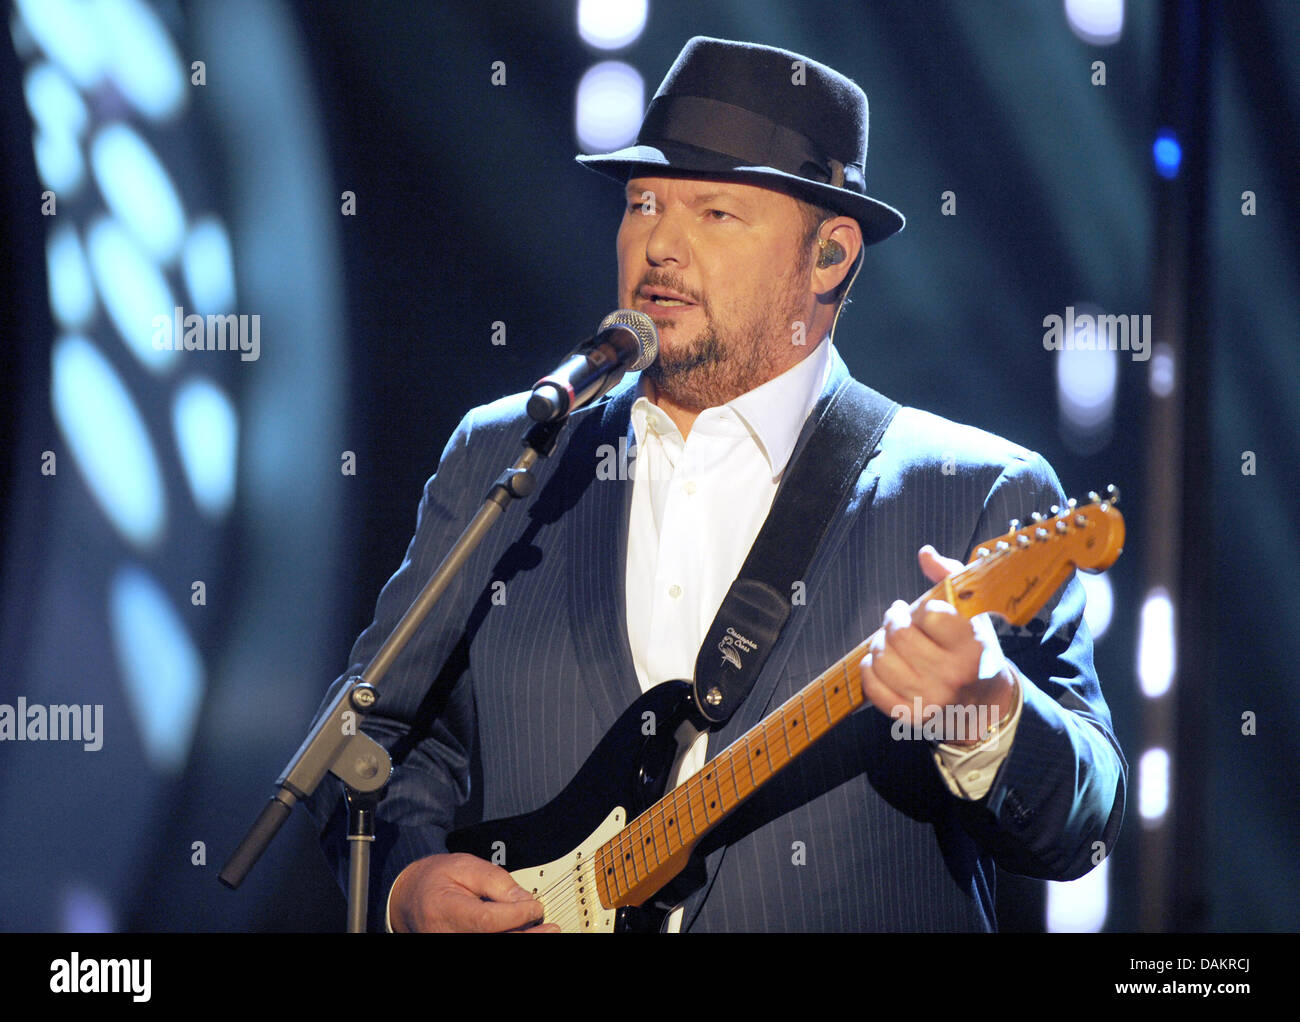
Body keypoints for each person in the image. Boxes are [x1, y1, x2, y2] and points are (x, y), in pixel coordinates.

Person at [305, 36, 1126, 932]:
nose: (658, 243)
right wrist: (407, 883)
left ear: (830, 256)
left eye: (716, 213)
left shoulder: (974, 490)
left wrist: (985, 717)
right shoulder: (512, 454)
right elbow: (370, 737)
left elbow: (1081, 826)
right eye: (643, 202)